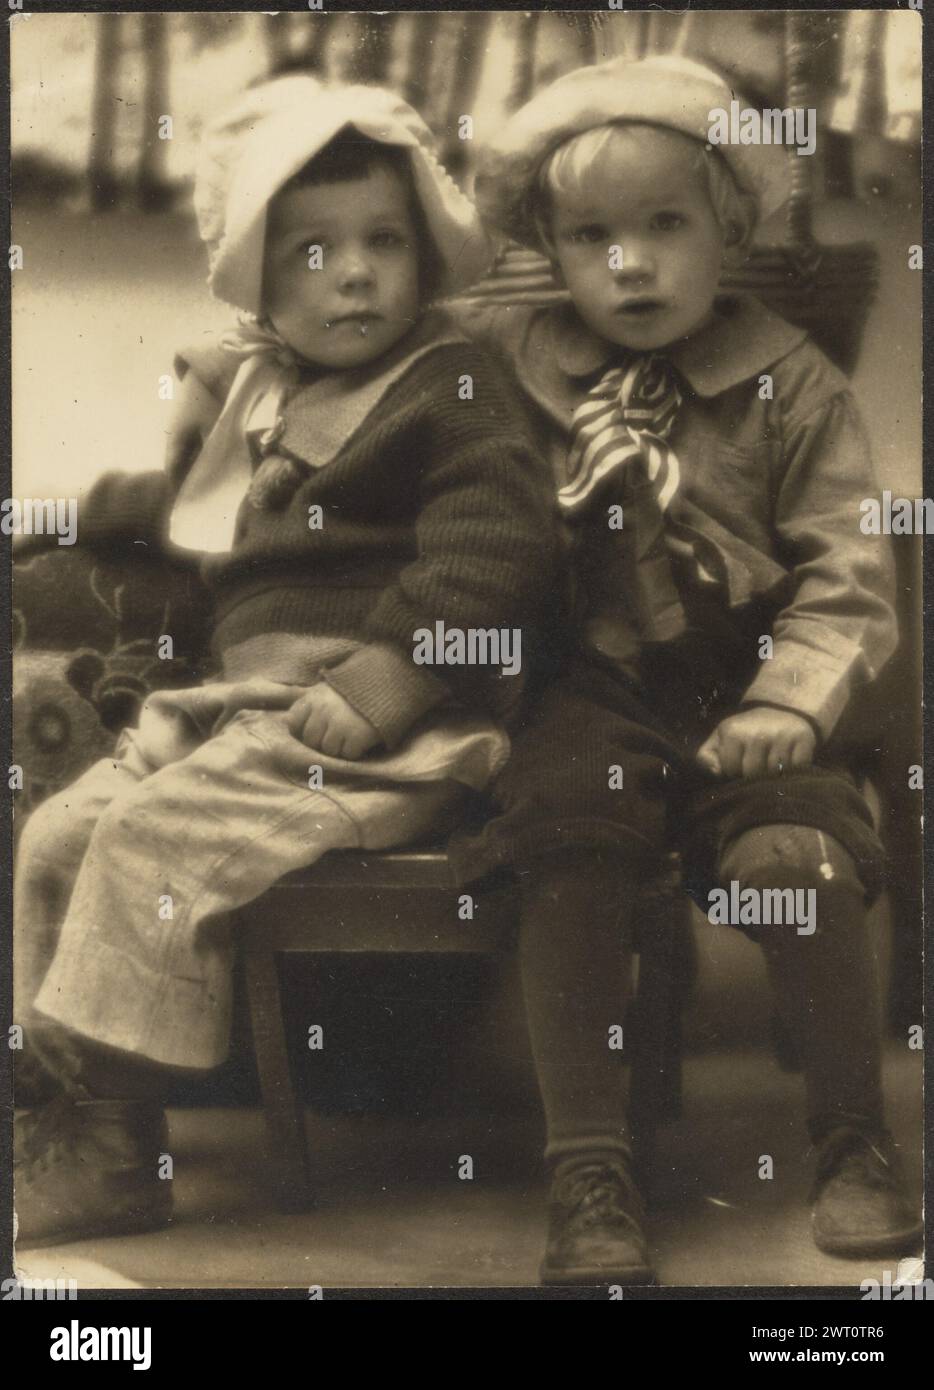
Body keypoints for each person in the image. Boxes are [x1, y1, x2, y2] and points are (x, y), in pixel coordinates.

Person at [160, 56, 923, 1287]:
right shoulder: (500, 353)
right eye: (591, 236)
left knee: (802, 863)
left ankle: (849, 1140)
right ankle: (589, 1168)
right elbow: (344, 338)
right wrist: (224, 363)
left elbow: (844, 570)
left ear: (727, 224)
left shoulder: (795, 388)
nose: (628, 263)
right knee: (559, 843)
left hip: (744, 690)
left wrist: (792, 697)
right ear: (548, 249)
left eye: (664, 226)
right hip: (581, 688)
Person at [13, 76, 559, 1249]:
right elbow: (199, 511)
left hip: (388, 726)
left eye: (382, 242)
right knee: (57, 836)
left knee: (145, 839)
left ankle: (113, 1163)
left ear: (425, 256)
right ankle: (80, 1122)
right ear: (259, 278)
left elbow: (500, 546)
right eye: (311, 251)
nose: (354, 272)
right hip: (252, 713)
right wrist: (84, 509)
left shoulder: (454, 383)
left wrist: (387, 681)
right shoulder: (270, 396)